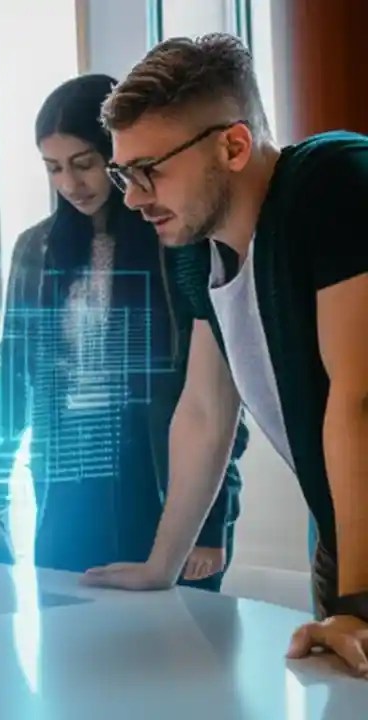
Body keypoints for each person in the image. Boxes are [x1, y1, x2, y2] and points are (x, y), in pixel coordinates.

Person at [76, 34, 368, 674]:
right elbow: (207, 410)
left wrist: (356, 600)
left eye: (149, 170)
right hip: (342, 538)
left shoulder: (332, 181)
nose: (132, 196)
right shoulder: (194, 247)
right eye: (125, 172)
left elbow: (359, 398)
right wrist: (163, 565)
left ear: (233, 146)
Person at [0, 75, 246, 592]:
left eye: (84, 164)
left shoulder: (174, 240)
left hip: (161, 475)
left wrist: (215, 519)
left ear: (116, 155)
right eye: (54, 168)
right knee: (70, 649)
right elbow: (13, 383)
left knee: (176, 654)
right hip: (69, 484)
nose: (70, 184)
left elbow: (215, 395)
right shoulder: (36, 249)